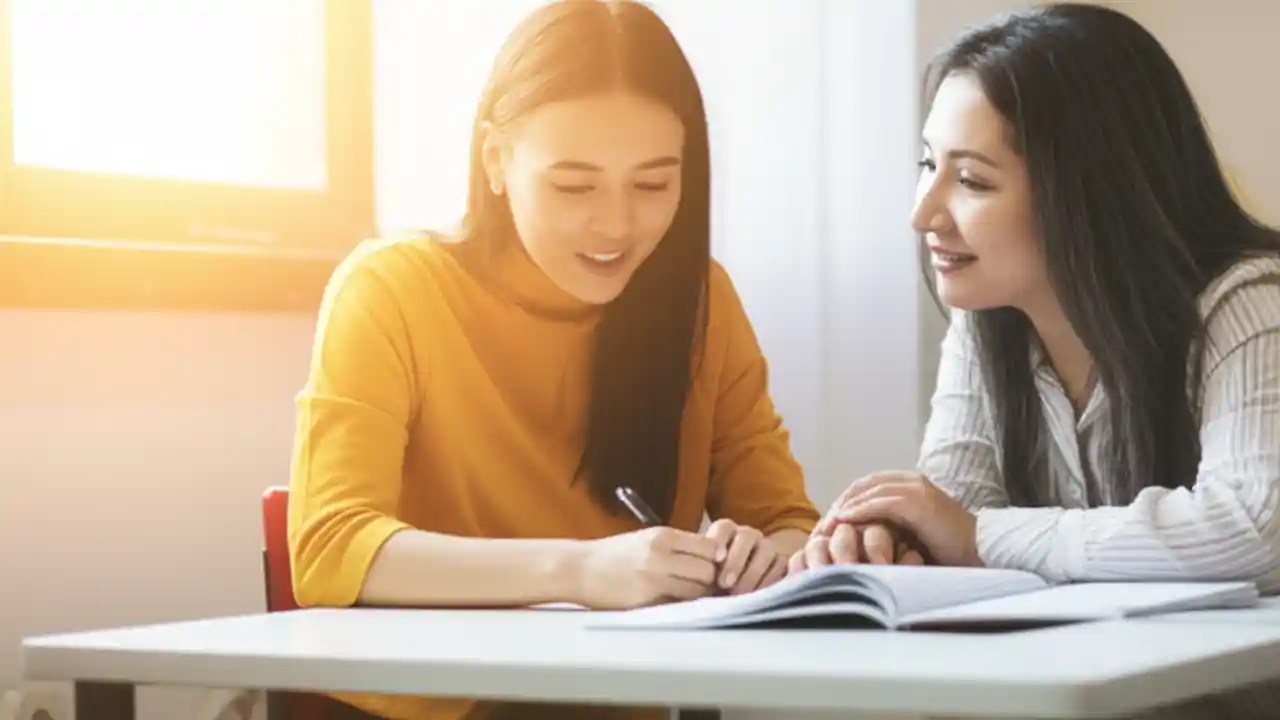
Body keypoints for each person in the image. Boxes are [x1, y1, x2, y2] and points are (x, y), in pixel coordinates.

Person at [287, 1, 819, 718]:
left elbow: (790, 522)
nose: (617, 224)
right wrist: (580, 569)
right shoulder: (392, 289)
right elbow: (331, 548)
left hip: (611, 700)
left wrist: (761, 555)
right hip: (417, 706)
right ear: (496, 161)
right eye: (574, 186)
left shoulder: (700, 303)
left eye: (653, 184)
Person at [804, 4, 1280, 716]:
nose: (922, 213)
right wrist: (885, 540)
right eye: (928, 165)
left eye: (972, 180)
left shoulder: (1249, 303)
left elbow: (1250, 529)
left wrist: (974, 536)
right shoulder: (989, 318)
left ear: (1088, 191)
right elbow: (952, 516)